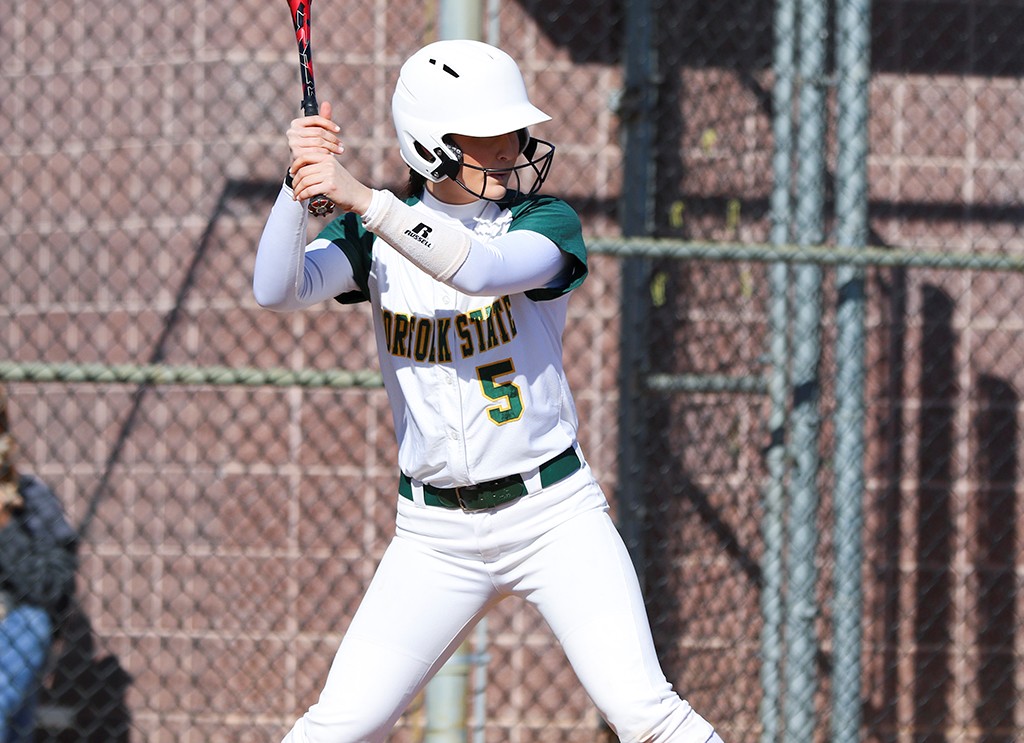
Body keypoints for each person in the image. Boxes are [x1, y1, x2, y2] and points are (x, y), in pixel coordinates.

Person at [254, 39, 725, 743]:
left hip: (552, 517)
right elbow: (276, 289)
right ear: (432, 146)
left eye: (514, 134)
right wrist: (301, 187)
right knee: (338, 725)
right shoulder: (372, 240)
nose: (513, 151)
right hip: (434, 534)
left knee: (644, 711)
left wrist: (367, 198)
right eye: (490, 138)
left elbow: (479, 269)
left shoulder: (542, 223)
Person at [0, 388, 78, 743]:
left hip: (11, 629)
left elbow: (53, 584)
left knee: (30, 623)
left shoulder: (30, 499)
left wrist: (4, 524)